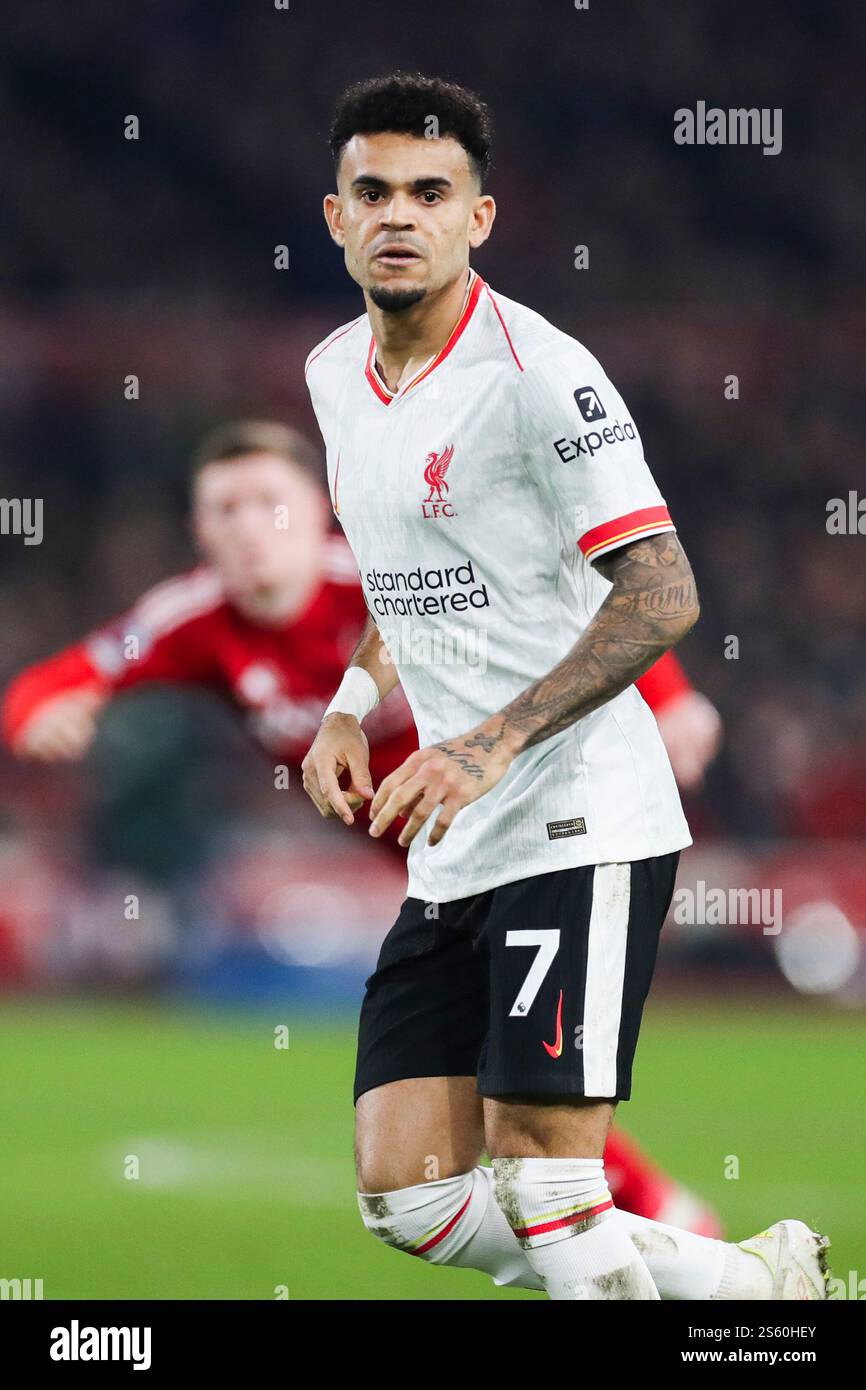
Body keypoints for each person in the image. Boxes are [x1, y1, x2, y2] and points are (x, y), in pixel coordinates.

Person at [301, 72, 829, 1299]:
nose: (398, 215)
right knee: (411, 1195)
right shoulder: (335, 373)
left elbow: (660, 591)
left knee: (546, 1187)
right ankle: (752, 1297)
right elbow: (401, 568)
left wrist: (485, 743)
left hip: (577, 815)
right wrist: (344, 701)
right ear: (333, 217)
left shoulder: (539, 372)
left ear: (477, 219)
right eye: (371, 191)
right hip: (457, 839)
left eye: (430, 194)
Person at [4, 419, 722, 1237]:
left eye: (268, 504)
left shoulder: (391, 577)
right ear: (200, 532)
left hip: (542, 828)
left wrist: (670, 700)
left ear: (322, 512)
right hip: (440, 873)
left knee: (513, 1087)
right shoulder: (192, 621)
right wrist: (44, 711)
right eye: (224, 509)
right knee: (490, 1092)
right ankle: (672, 1229)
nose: (247, 527)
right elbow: (62, 677)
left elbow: (562, 600)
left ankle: (671, 1238)